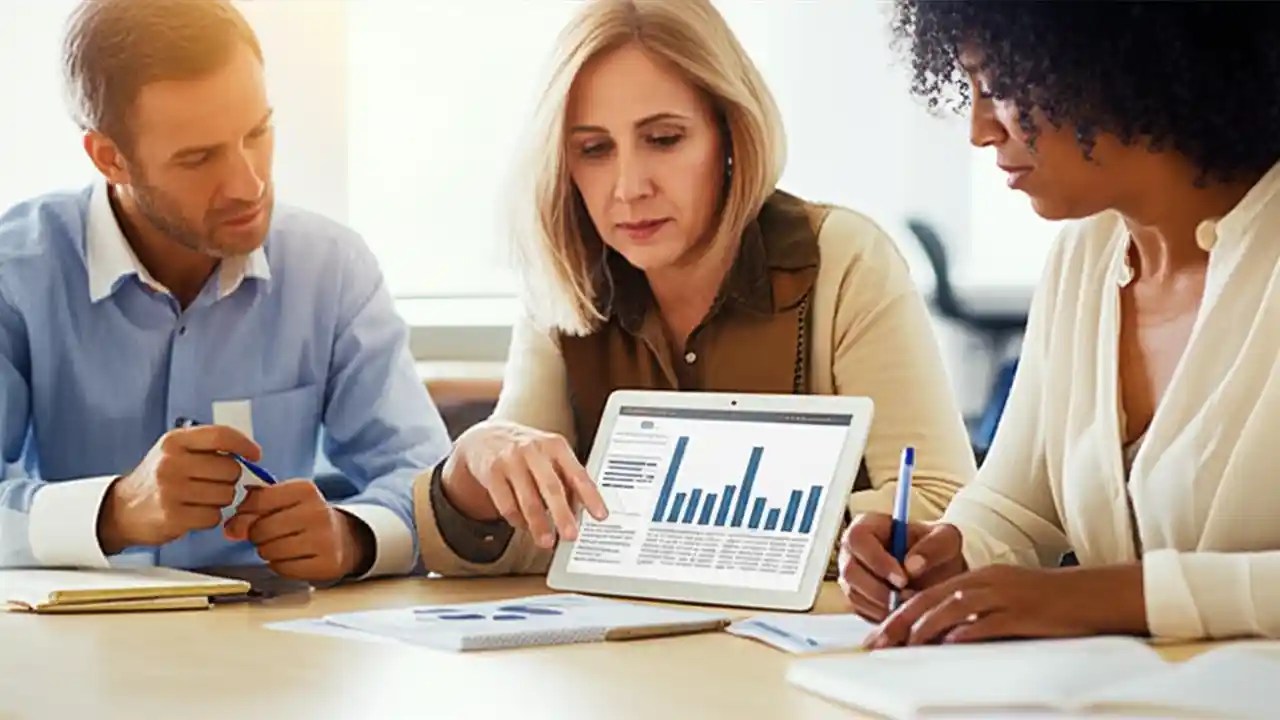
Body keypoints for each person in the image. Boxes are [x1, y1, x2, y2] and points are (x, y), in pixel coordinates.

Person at [413, 0, 975, 576]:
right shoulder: (563, 280)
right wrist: (470, 466)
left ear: (729, 133)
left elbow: (940, 504)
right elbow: (527, 537)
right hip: (623, 658)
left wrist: (660, 538)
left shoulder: (844, 257)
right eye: (594, 149)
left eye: (663, 138)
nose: (629, 188)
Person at [842, 1, 1280, 645]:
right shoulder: (1087, 255)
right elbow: (1017, 504)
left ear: (1123, 59)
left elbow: (1099, 596)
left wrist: (1107, 597)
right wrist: (945, 555)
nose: (980, 129)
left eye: (998, 87)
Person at [0, 0, 449, 582]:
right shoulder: (18, 273)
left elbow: (427, 479)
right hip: (75, 651)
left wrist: (355, 537)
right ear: (110, 158)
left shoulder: (330, 267)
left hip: (276, 647)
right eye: (198, 158)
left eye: (258, 132)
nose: (249, 183)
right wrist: (113, 511)